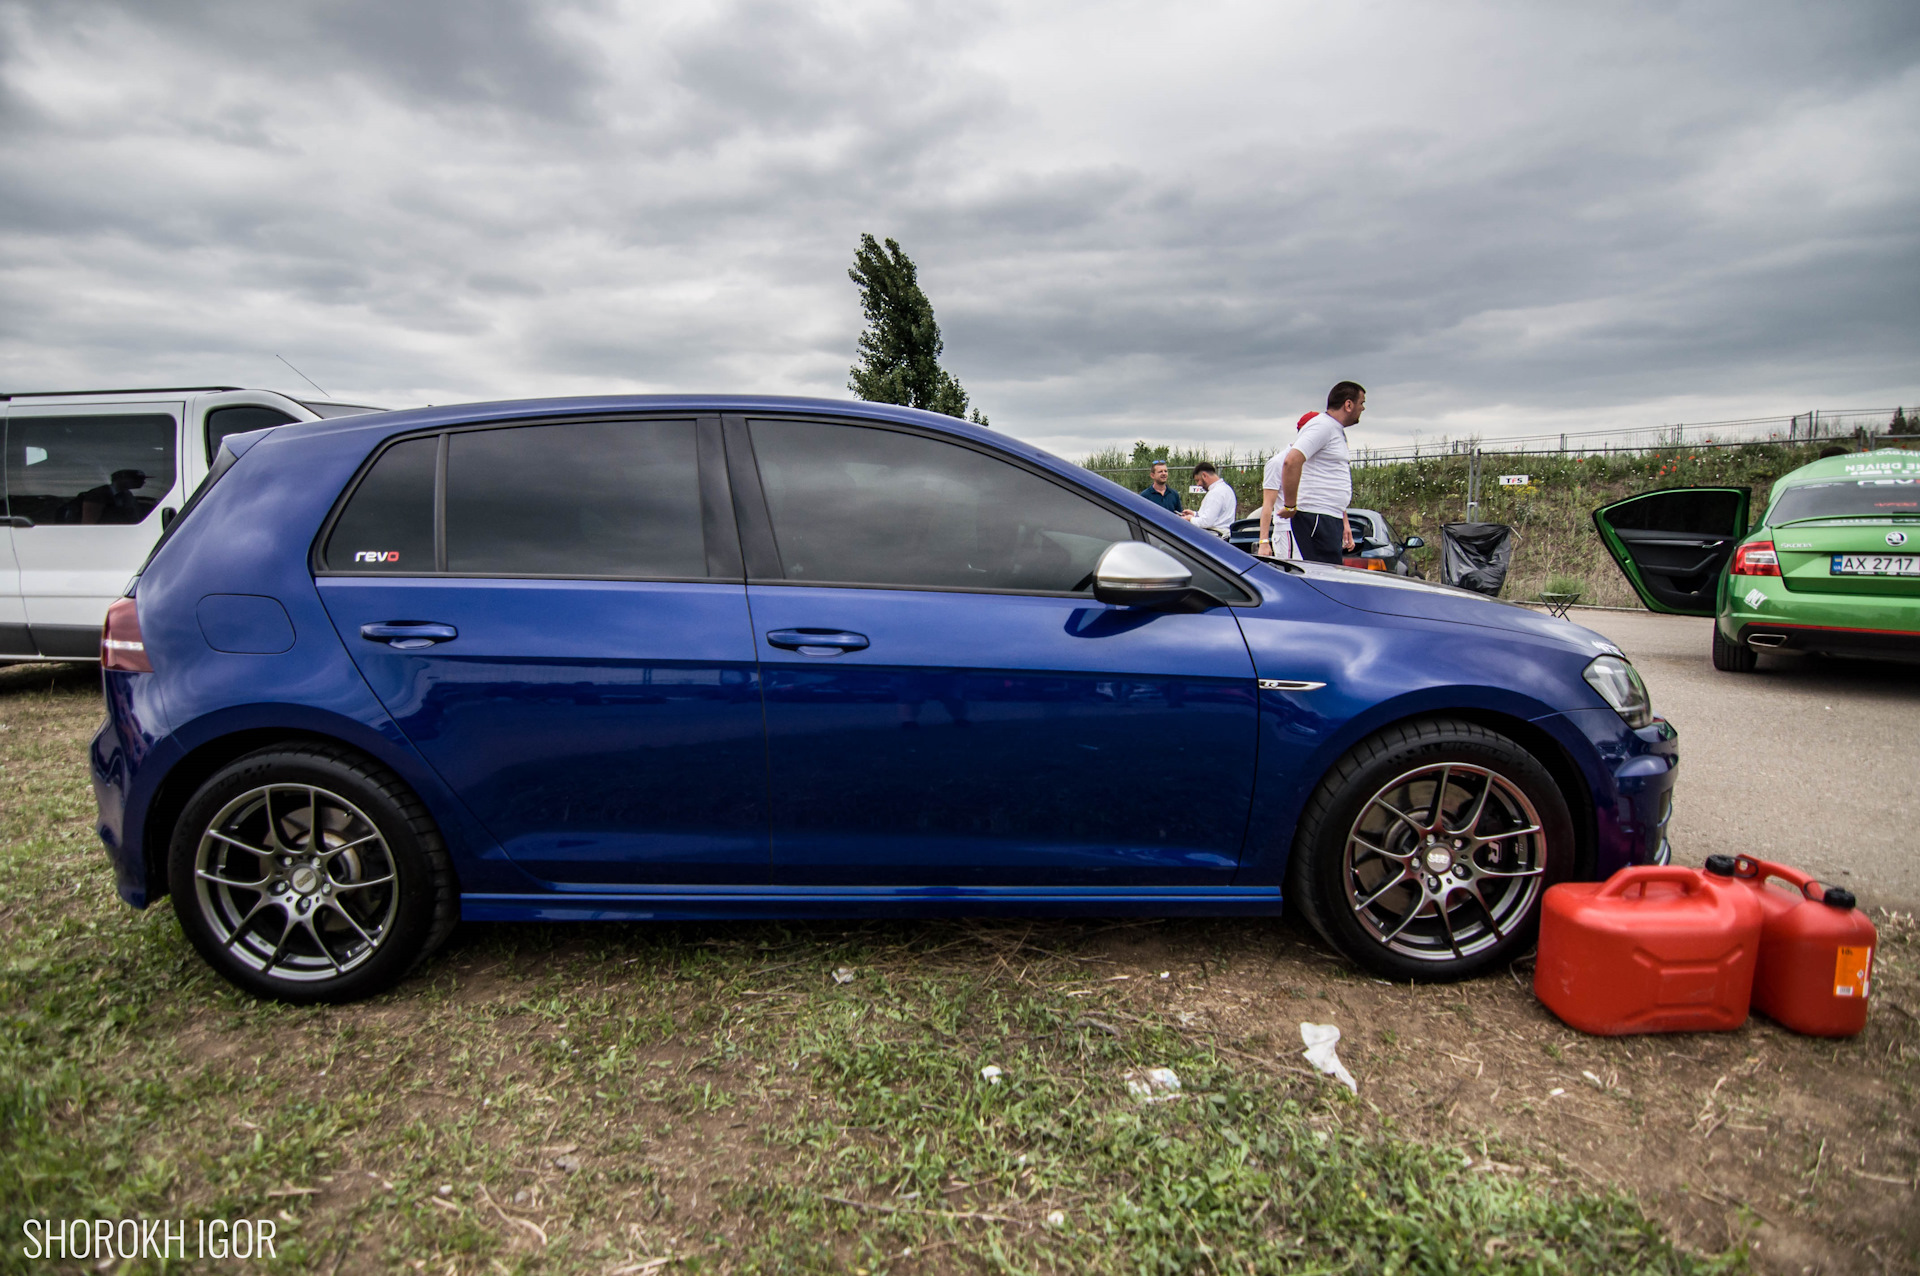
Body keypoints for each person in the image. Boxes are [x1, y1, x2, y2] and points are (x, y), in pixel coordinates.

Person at [1259, 382, 1364, 564]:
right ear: (1348, 405)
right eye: (1361, 402)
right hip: (1317, 516)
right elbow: (1291, 461)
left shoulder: (1333, 429)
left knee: (1329, 575)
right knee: (1322, 578)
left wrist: (1342, 518)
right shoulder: (1322, 426)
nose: (1363, 408)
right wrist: (1291, 506)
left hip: (1328, 516)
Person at [1182, 462, 1235, 536]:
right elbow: (1215, 516)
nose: (1198, 484)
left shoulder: (1215, 493)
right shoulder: (1227, 489)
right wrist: (1195, 514)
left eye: (1198, 480)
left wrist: (1190, 519)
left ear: (1204, 475)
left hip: (1214, 536)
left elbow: (1206, 522)